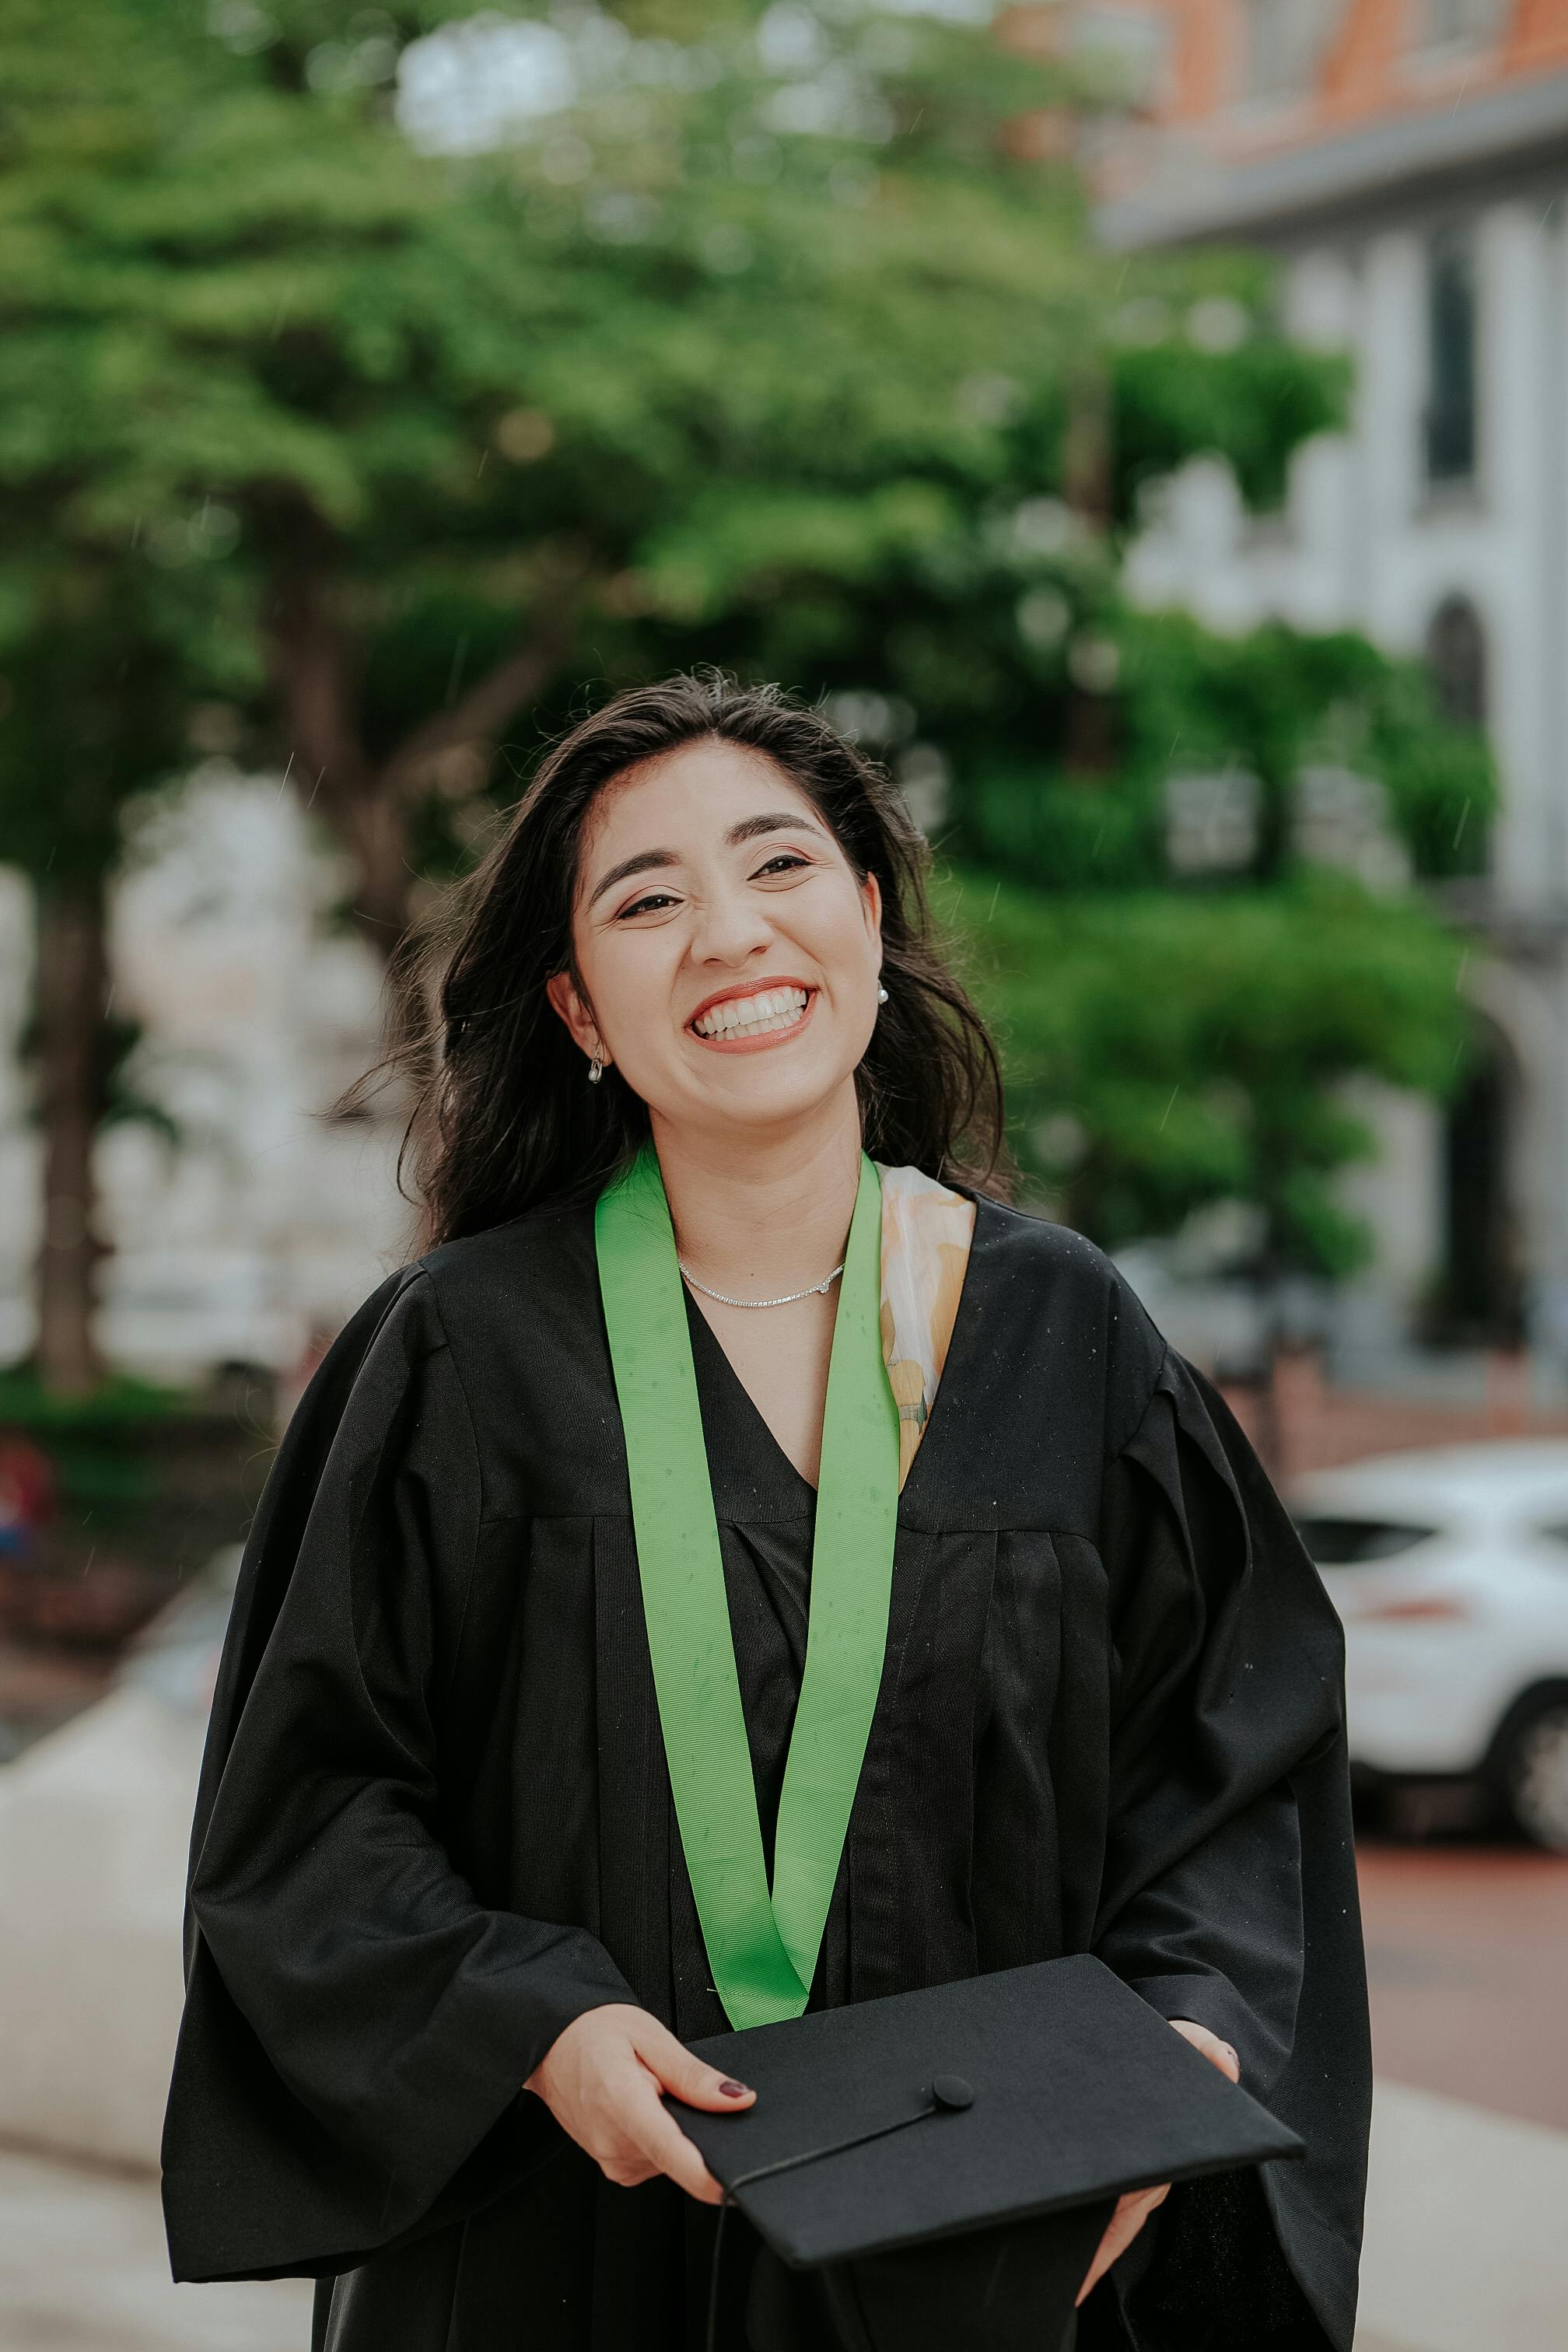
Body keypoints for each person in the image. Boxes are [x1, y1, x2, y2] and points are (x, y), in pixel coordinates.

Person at [160, 674, 1370, 2352]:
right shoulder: (460, 1355)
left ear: (868, 918)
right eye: (648, 901)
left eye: (779, 866)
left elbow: (1231, 1764)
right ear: (582, 1012)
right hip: (552, 2255)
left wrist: (1179, 2050)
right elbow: (307, 1810)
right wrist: (531, 2021)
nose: (730, 933)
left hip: (980, 2240)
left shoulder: (1065, 1336)